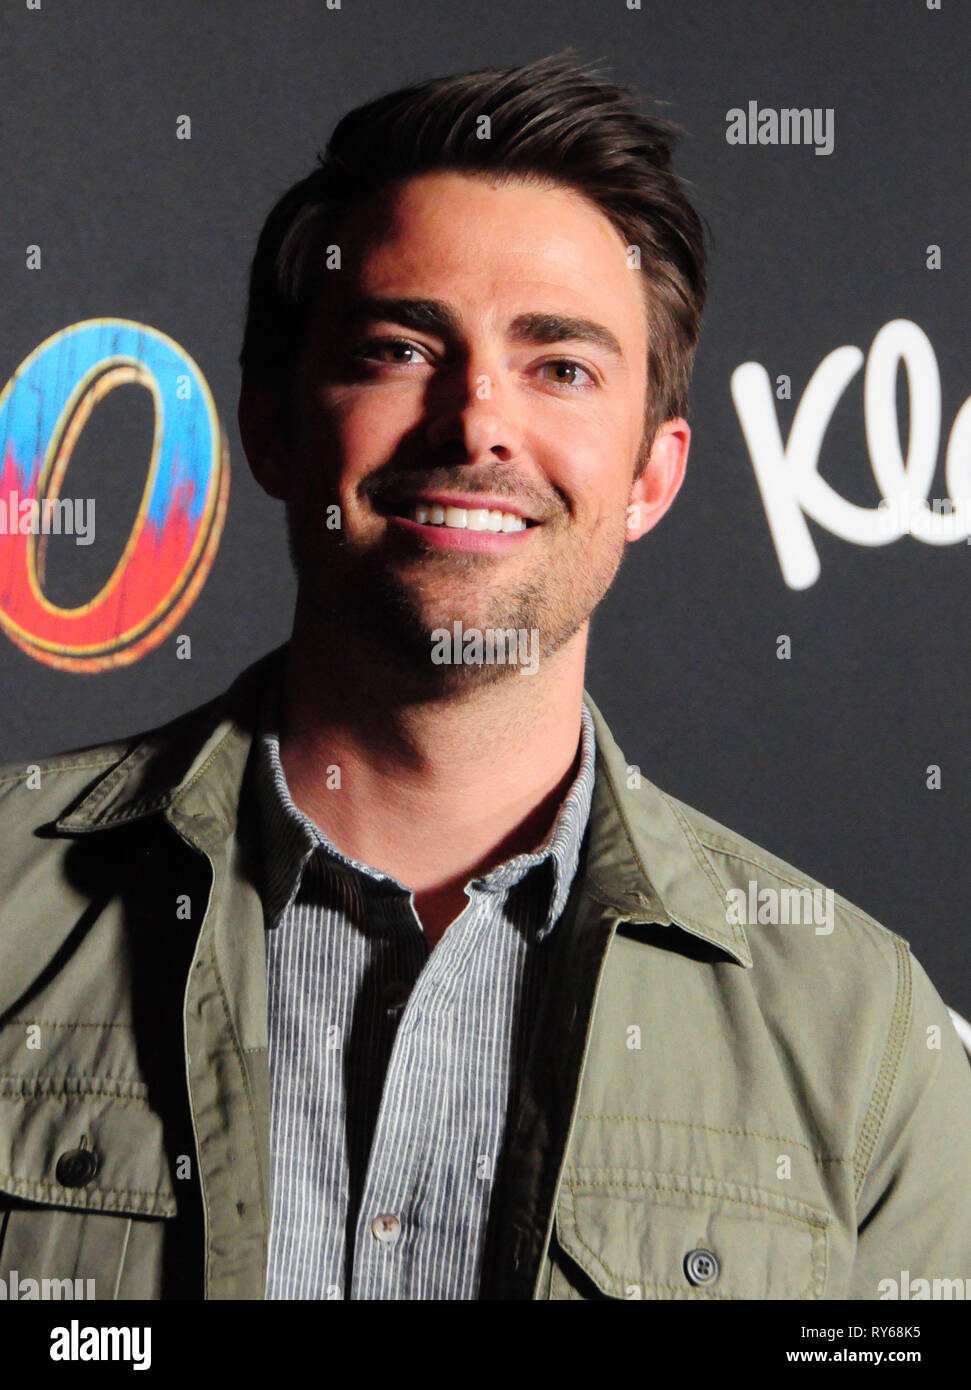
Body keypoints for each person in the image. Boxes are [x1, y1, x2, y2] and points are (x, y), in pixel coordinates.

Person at [0, 53, 969, 1302]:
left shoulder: (860, 1037)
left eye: (559, 366)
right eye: (400, 347)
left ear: (651, 477)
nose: (476, 422)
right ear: (276, 427)